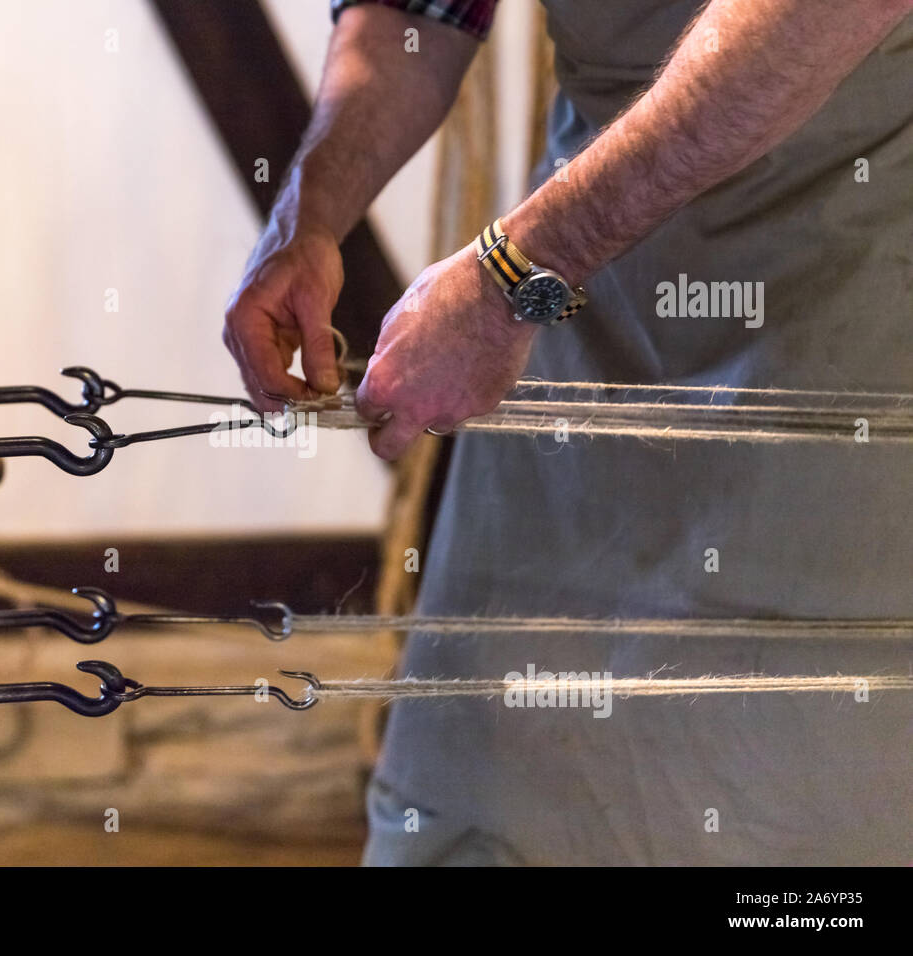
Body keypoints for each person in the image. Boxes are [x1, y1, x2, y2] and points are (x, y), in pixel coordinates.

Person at [222, 0, 913, 865]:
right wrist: (308, 214)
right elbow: (417, 14)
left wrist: (512, 276)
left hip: (850, 290)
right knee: (467, 809)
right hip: (579, 296)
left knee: (796, 817)